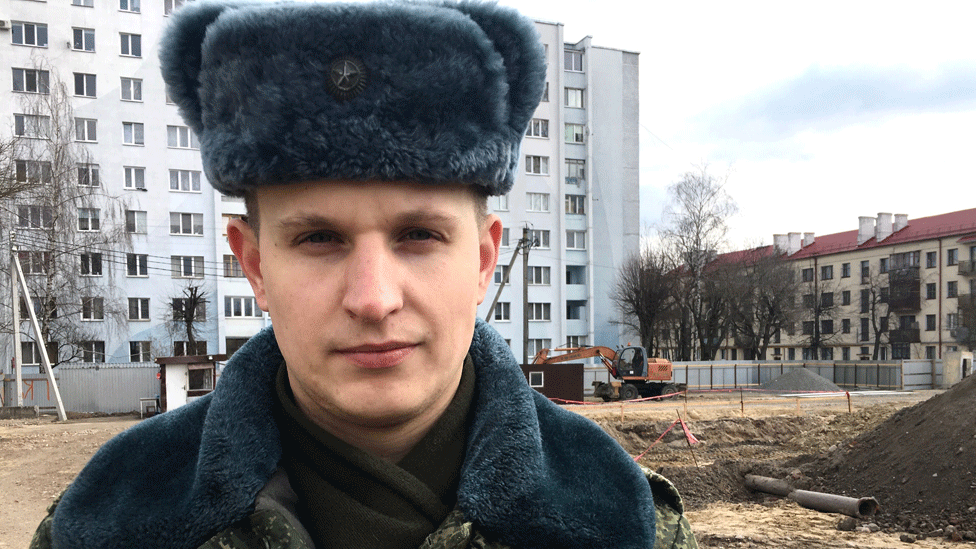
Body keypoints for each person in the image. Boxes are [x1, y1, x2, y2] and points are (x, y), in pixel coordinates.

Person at [31, 1, 698, 548]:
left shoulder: (624, 521)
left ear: (483, 261)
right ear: (255, 264)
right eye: (320, 238)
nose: (374, 298)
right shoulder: (109, 519)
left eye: (419, 235)